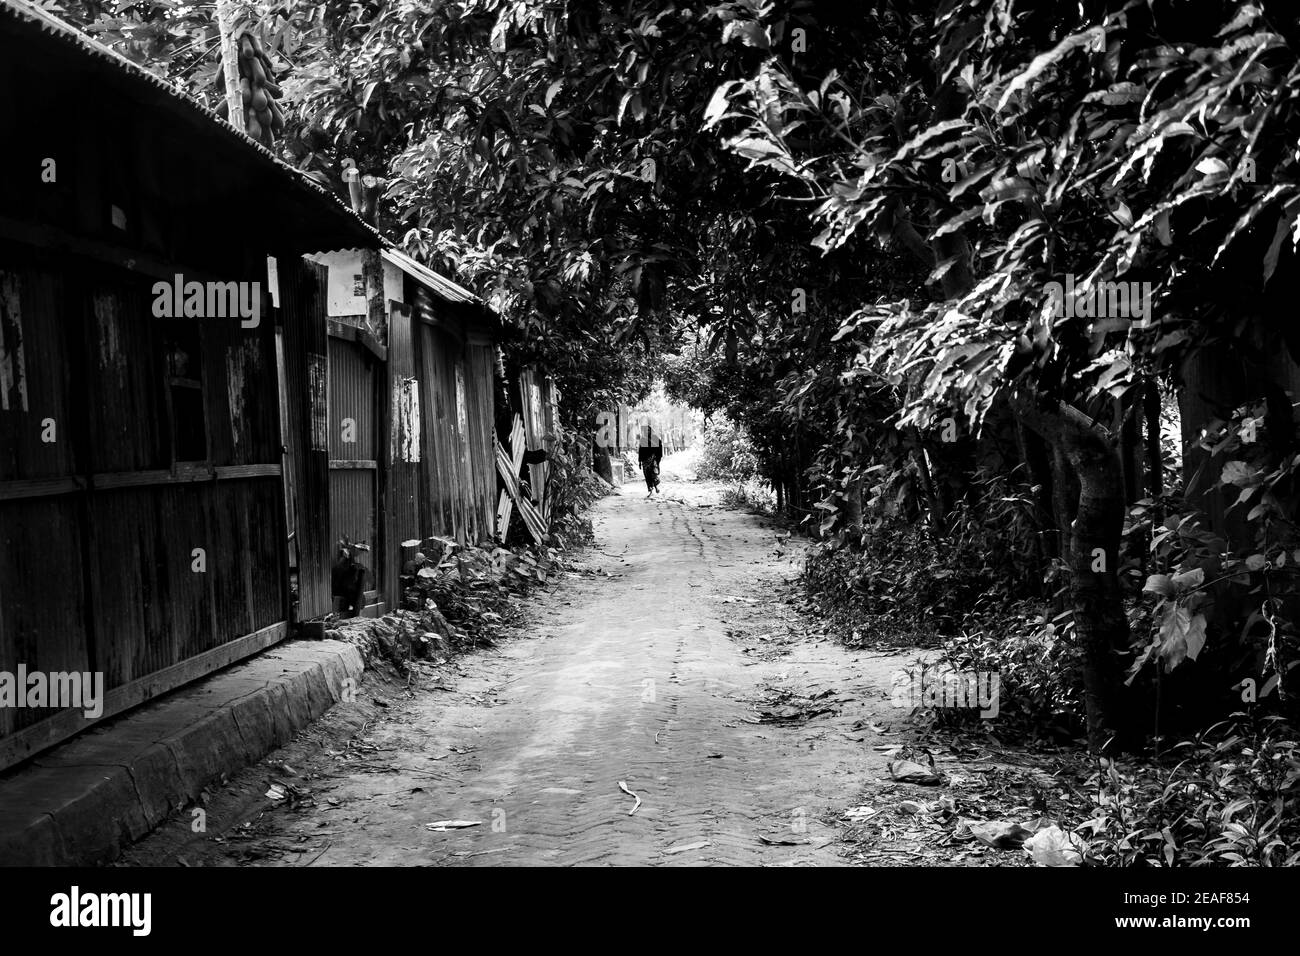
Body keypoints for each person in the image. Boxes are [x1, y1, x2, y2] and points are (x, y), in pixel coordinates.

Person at [637, 424, 664, 497]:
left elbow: (660, 448)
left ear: (651, 430)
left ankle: (656, 487)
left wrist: (658, 459)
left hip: (653, 460)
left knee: (653, 473)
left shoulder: (655, 438)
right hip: (645, 461)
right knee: (647, 475)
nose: (647, 432)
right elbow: (640, 451)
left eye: (648, 430)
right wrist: (639, 462)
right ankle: (651, 489)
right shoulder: (643, 439)